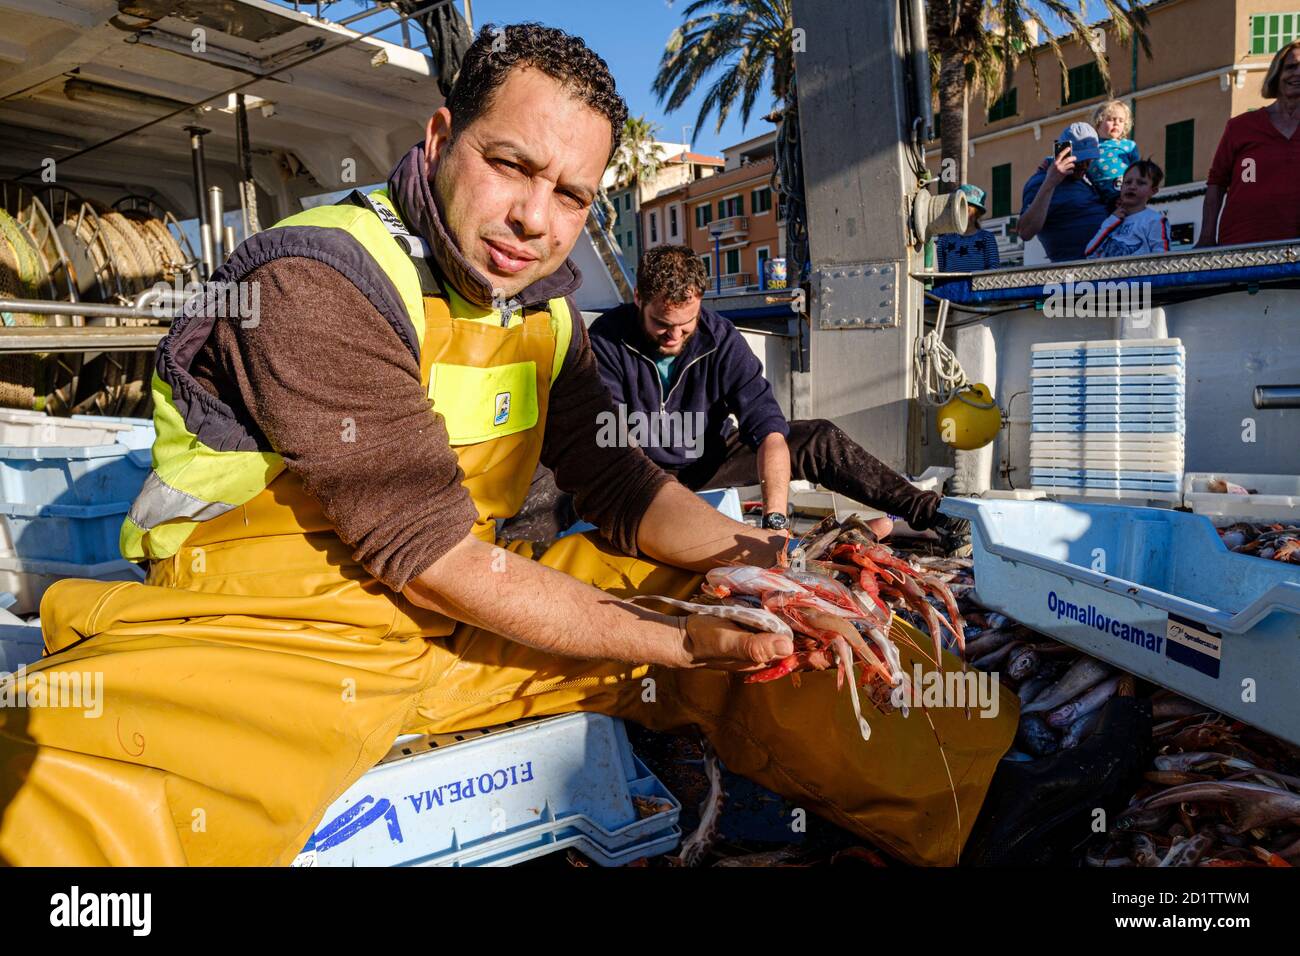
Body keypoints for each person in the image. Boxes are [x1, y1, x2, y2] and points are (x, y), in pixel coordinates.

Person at [0, 24, 1020, 868]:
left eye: (572, 193)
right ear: (443, 135)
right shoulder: (311, 279)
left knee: (759, 616)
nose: (535, 217)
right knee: (82, 797)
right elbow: (429, 552)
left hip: (457, 625)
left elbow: (615, 480)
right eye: (510, 165)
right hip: (270, 641)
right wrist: (672, 640)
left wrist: (754, 561)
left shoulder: (545, 312)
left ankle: (980, 793)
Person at [504, 244, 962, 546]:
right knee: (550, 458)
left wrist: (777, 523)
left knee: (816, 436)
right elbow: (609, 441)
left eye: (685, 325)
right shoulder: (605, 338)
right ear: (638, 297)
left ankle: (930, 514)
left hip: (705, 458)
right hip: (631, 466)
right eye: (662, 324)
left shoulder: (719, 338)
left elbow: (770, 434)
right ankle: (519, 560)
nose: (674, 335)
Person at [1198, 39, 1300, 247]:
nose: (1298, 73)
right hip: (1242, 243)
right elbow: (1217, 183)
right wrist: (1207, 237)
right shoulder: (1241, 127)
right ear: (1276, 74)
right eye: (1291, 67)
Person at [1016, 121, 1110, 262]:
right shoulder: (1040, 182)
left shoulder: (1088, 177)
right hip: (1075, 269)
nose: (1084, 165)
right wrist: (1050, 182)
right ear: (1063, 154)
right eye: (1079, 159)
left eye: (1089, 159)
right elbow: (1025, 232)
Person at [1084, 159, 1170, 259]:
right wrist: (1112, 220)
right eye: (1127, 182)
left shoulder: (1155, 221)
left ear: (1153, 191)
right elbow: (1090, 252)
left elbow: (1163, 259)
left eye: (1141, 183)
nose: (1132, 187)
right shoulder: (1111, 220)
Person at [935, 184, 1001, 272]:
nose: (962, 214)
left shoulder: (986, 238)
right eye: (960, 210)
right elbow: (939, 271)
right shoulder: (944, 240)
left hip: (977, 285)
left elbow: (993, 268)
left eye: (967, 210)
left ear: (976, 215)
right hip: (950, 285)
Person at [1090, 99, 1141, 207]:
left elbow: (1137, 168)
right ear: (1099, 122)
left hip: (1120, 189)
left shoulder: (1128, 145)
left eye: (1121, 121)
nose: (1116, 123)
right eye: (1111, 119)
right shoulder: (1091, 145)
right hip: (1095, 192)